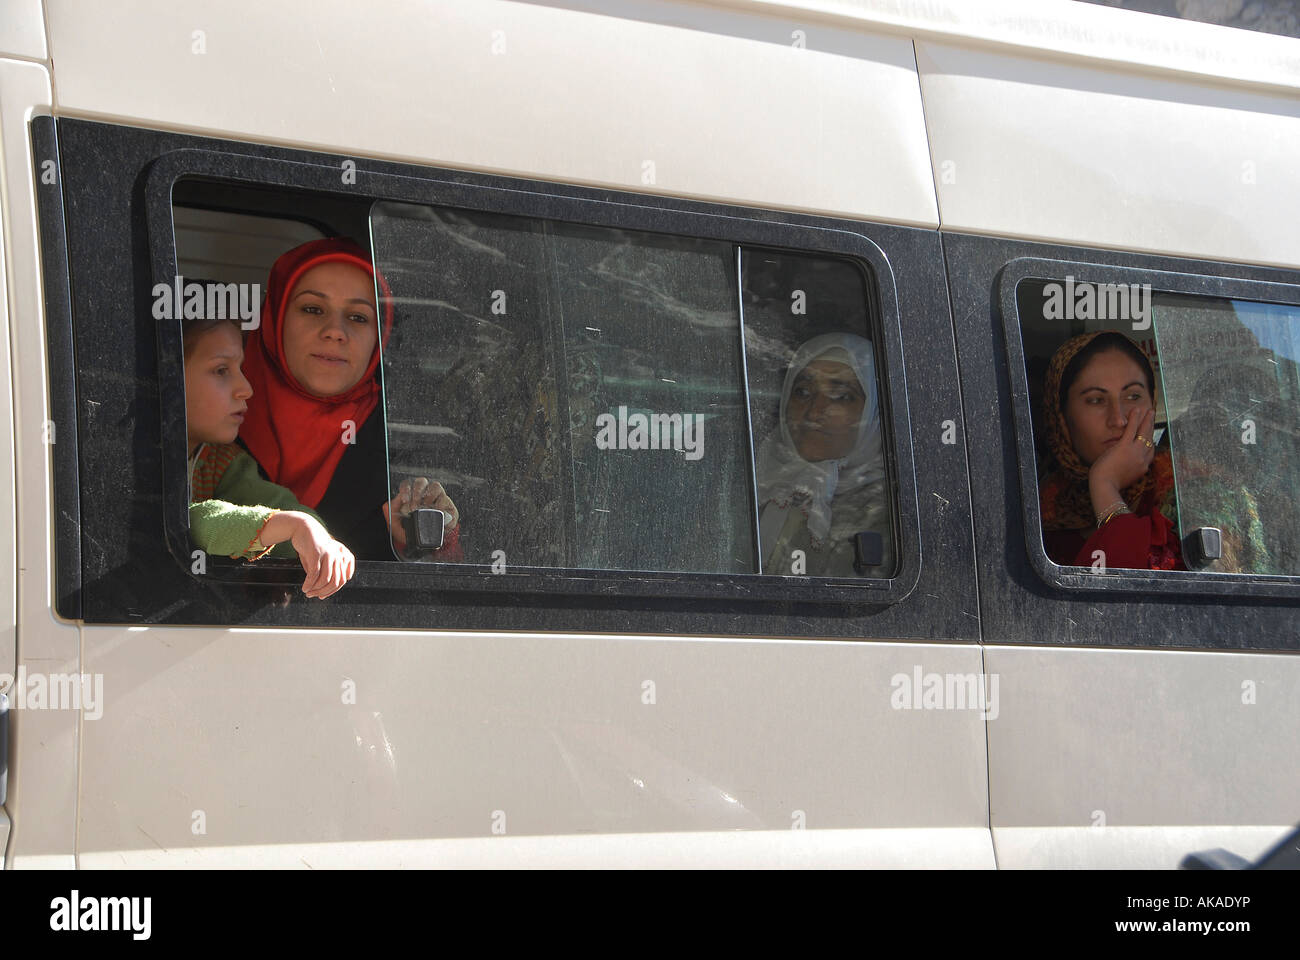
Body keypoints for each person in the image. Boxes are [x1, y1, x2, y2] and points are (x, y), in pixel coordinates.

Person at [239, 238, 463, 561]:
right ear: (275, 318)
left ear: (378, 337)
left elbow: (440, 597)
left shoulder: (403, 445)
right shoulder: (214, 419)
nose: (335, 331)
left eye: (358, 317)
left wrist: (428, 540)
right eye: (313, 309)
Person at [185, 315, 354, 599]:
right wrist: (292, 525)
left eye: (240, 368)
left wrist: (319, 539)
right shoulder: (134, 460)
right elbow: (193, 524)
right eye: (221, 370)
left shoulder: (220, 460)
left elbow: (275, 503)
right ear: (167, 377)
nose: (246, 389)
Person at [1038, 330, 1183, 570]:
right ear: (1062, 419)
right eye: (1096, 400)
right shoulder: (1037, 514)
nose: (1118, 420)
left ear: (1152, 404)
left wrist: (1104, 485)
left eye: (1133, 396)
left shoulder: (1194, 495)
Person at [756, 332, 894, 577]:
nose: (814, 412)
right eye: (803, 392)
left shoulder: (891, 514)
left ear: (874, 413)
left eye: (842, 397)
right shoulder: (749, 477)